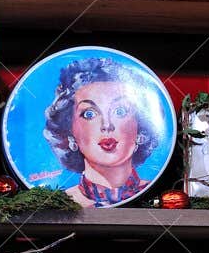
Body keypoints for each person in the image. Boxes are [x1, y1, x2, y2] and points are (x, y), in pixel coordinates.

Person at [43, 56, 168, 207]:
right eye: (89, 114)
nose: (106, 125)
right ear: (70, 132)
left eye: (120, 111)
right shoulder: (59, 204)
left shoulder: (161, 199)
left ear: (141, 128)